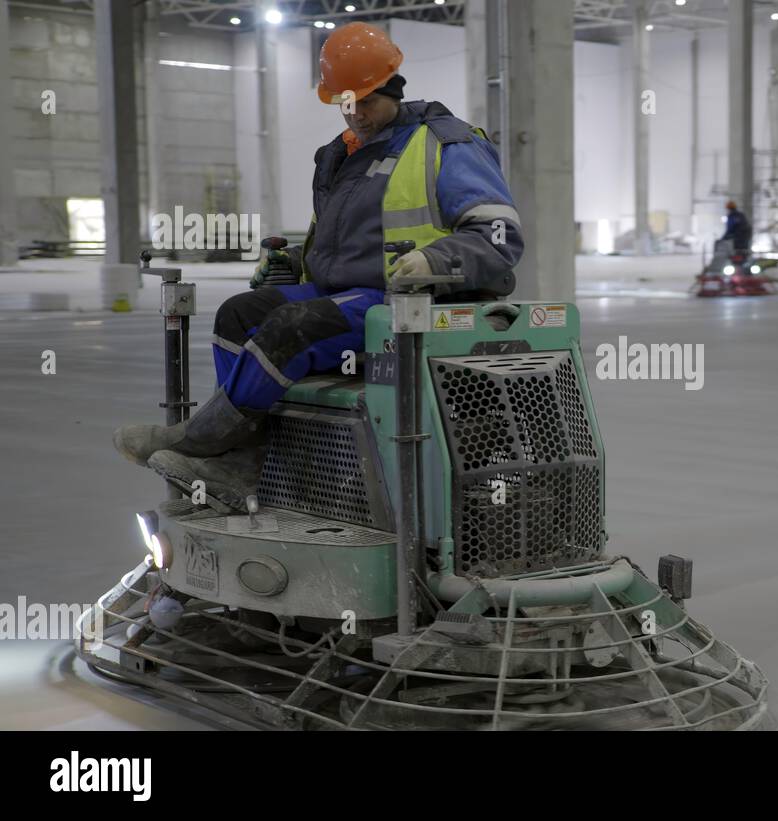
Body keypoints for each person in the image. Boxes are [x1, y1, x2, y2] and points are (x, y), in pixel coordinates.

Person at [112, 22, 524, 511]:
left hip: (408, 304)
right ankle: (240, 460)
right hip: (348, 297)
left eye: (367, 102)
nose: (357, 115)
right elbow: (333, 249)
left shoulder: (447, 144)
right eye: (346, 104)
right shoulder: (336, 158)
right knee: (240, 315)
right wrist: (290, 264)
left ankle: (203, 439)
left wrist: (434, 259)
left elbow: (500, 237)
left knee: (292, 326)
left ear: (393, 88)